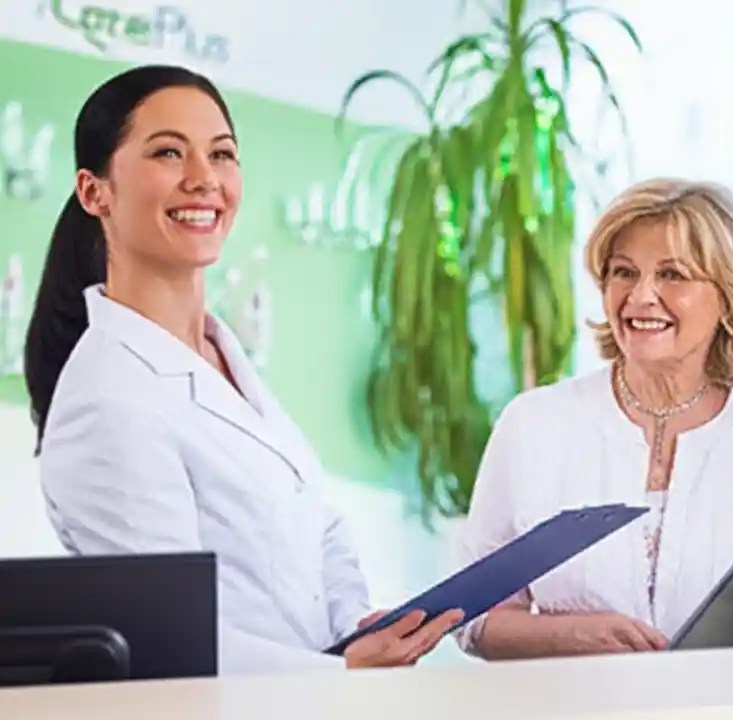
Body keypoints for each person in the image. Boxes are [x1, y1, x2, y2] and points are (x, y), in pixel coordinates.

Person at [25, 64, 462, 674]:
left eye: (222, 154)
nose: (204, 180)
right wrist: (341, 673)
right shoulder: (105, 399)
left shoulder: (219, 356)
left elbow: (320, 523)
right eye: (169, 153)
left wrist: (355, 627)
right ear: (95, 192)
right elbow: (167, 640)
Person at [454, 178, 733, 659]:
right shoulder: (533, 425)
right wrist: (571, 636)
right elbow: (472, 617)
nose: (641, 296)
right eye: (624, 273)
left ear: (730, 295)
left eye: (673, 275)